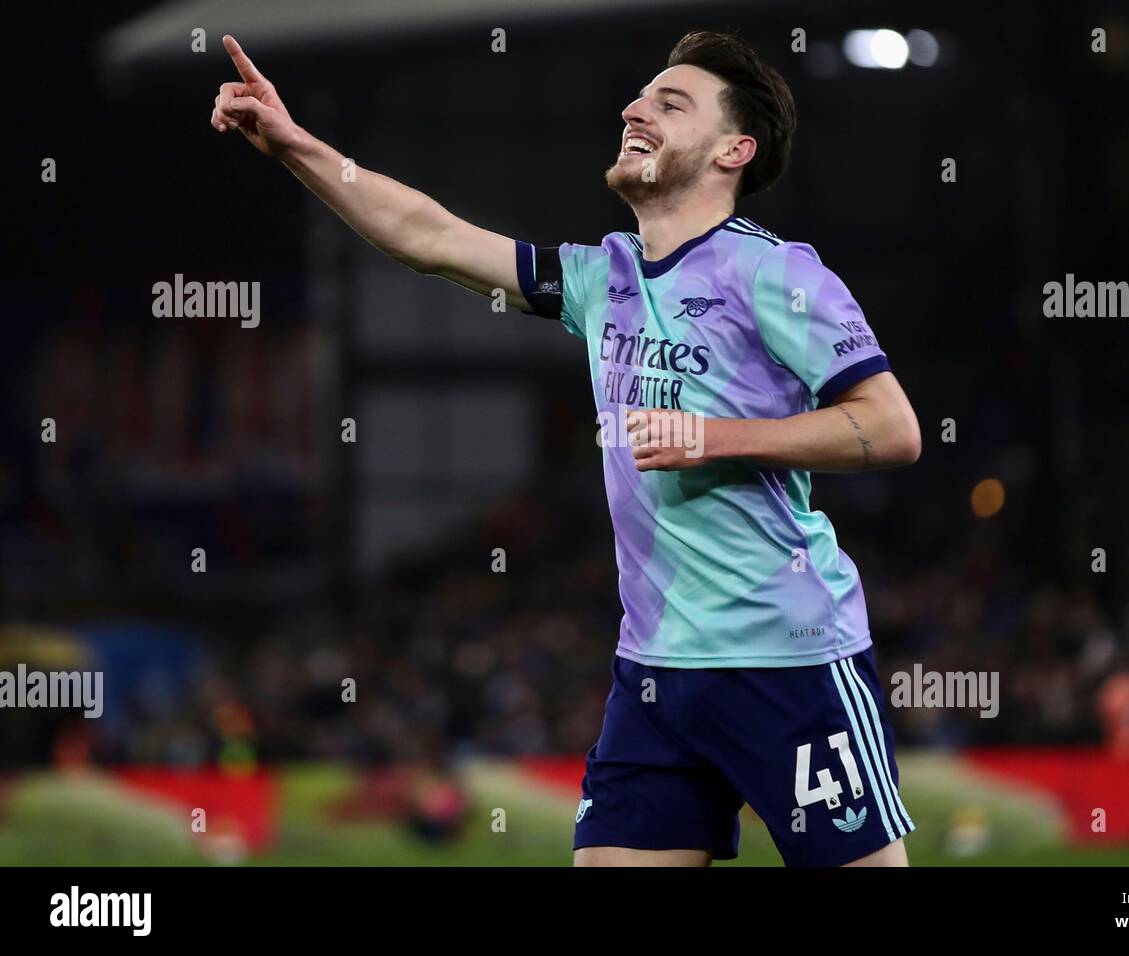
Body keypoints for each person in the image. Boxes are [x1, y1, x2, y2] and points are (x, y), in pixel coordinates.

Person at [211, 29, 922, 867]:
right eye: (640, 97)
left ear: (735, 148)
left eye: (671, 102)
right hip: (654, 675)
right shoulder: (602, 276)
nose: (635, 109)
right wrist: (296, 147)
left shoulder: (776, 275)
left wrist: (714, 438)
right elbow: (429, 237)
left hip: (789, 660)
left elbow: (891, 426)